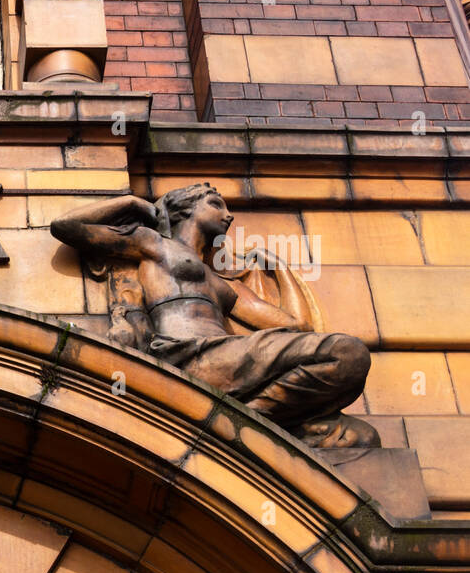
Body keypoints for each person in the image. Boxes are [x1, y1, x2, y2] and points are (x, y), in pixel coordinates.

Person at [50, 183, 378, 448]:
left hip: (224, 359)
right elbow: (66, 226)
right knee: (345, 351)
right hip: (185, 356)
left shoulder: (220, 285)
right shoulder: (154, 245)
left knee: (359, 419)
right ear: (185, 208)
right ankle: (240, 425)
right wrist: (135, 203)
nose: (229, 215)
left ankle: (243, 421)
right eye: (215, 204)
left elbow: (297, 326)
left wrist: (278, 269)